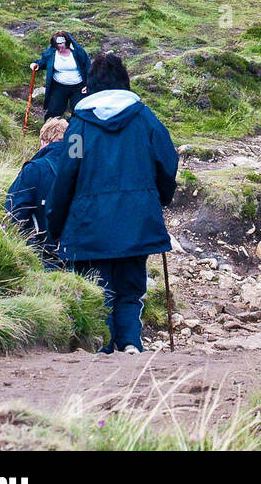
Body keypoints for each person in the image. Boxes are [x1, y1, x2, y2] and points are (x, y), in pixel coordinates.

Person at [47, 53, 178, 354]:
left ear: (90, 87)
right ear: (125, 82)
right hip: (136, 220)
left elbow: (68, 171)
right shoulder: (144, 119)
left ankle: (103, 348)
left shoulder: (79, 128)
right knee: (131, 287)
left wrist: (56, 223)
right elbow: (167, 159)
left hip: (89, 223)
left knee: (98, 288)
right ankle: (131, 343)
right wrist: (157, 197)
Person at [4, 117, 68, 268]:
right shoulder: (83, 169)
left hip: (43, 255)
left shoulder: (34, 169)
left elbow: (15, 212)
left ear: (44, 142)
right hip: (80, 257)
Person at [31, 31, 90, 120]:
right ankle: (49, 131)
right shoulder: (51, 52)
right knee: (53, 112)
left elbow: (88, 67)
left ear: (67, 42)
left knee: (79, 112)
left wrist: (89, 84)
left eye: (62, 45)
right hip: (59, 86)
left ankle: (75, 131)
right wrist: (37, 65)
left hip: (78, 87)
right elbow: (43, 62)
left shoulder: (78, 51)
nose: (60, 49)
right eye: (57, 46)